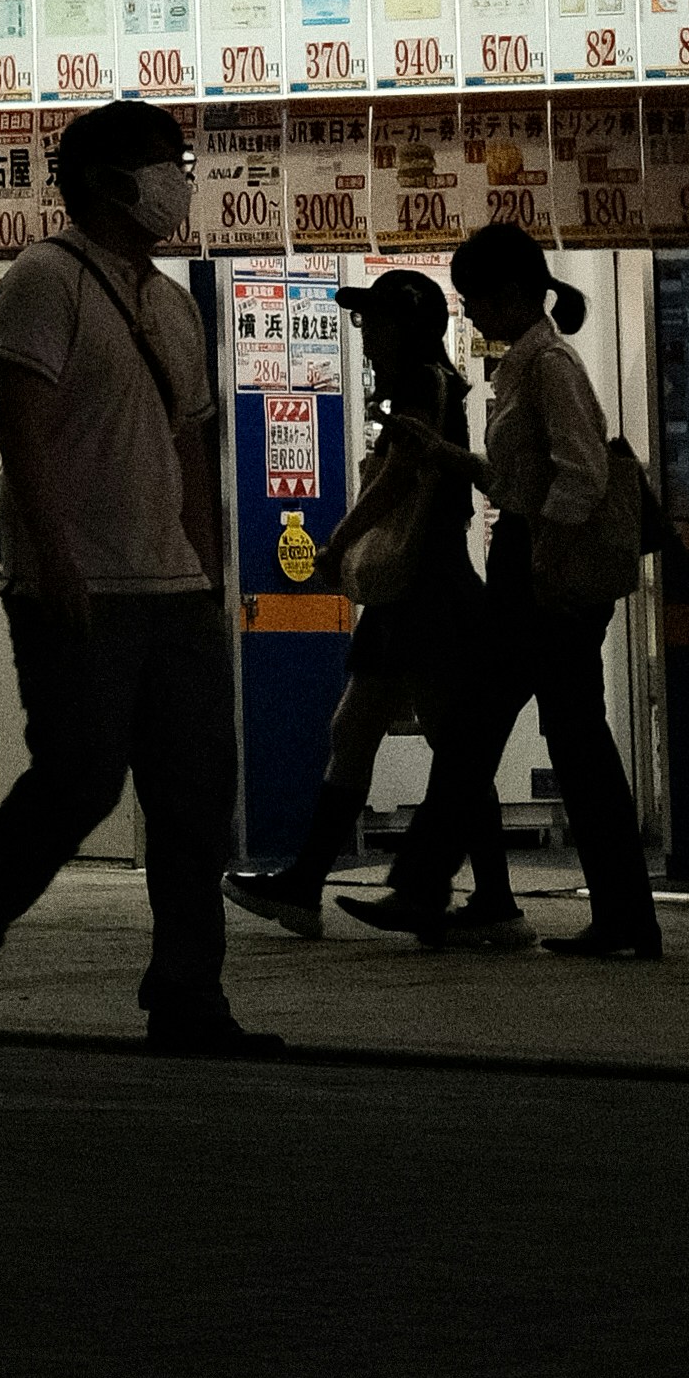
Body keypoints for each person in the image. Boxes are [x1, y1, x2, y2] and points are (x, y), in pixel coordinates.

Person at [0, 97, 277, 1058]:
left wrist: (204, 566)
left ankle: (189, 998)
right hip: (79, 590)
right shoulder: (43, 280)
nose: (179, 181)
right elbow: (19, 428)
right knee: (78, 782)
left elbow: (190, 442)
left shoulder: (170, 301)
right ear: (112, 180)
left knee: (195, 801)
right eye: (165, 163)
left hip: (172, 591)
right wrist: (52, 552)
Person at [385, 226, 662, 966]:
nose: (470, 314)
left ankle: (621, 917)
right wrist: (450, 458)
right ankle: (423, 885)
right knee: (507, 734)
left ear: (510, 294)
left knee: (559, 742)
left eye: (475, 299)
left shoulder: (551, 367)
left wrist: (543, 556)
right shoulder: (526, 366)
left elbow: (582, 474)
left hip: (545, 578)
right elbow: (523, 480)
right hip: (528, 568)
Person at [222, 271, 508, 940]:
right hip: (419, 590)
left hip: (425, 592)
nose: (367, 335)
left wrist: (339, 540)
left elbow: (401, 476)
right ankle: (311, 885)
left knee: (439, 743)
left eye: (374, 322)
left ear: (404, 327)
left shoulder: (420, 385)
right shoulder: (433, 385)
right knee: (376, 733)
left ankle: (488, 902)